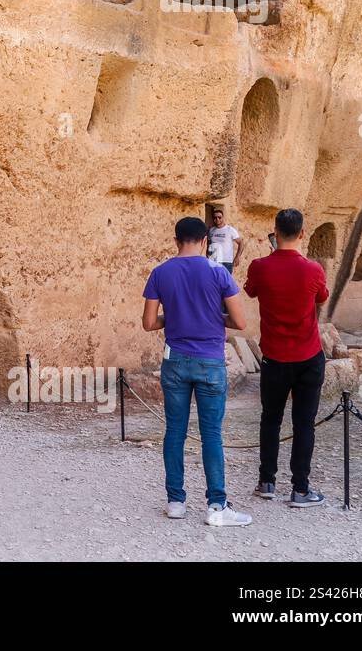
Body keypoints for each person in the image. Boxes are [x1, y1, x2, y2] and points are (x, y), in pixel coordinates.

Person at [142, 216, 251, 526]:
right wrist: (212, 317)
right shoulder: (218, 272)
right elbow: (239, 321)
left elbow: (149, 323)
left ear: (176, 240)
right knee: (211, 434)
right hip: (210, 361)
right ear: (205, 241)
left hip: (175, 360)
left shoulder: (160, 273)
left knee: (174, 430)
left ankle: (175, 501)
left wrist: (175, 317)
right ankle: (217, 505)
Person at [244, 209, 329, 507]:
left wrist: (272, 258)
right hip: (308, 355)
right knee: (304, 423)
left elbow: (251, 291)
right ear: (302, 233)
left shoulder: (259, 266)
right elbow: (322, 297)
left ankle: (267, 481)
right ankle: (300, 489)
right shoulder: (313, 269)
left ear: (275, 232)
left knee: (270, 419)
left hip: (274, 356)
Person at [207, 208, 244, 273]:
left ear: (223, 218)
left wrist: (237, 257)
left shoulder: (230, 230)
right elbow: (209, 243)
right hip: (213, 261)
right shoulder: (211, 230)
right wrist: (208, 254)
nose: (217, 219)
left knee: (225, 279)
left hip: (226, 262)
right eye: (215, 218)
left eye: (219, 217)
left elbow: (241, 243)